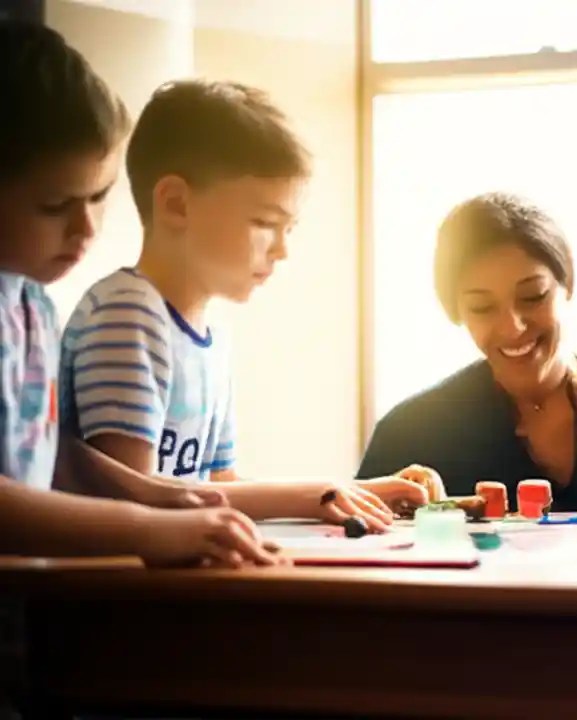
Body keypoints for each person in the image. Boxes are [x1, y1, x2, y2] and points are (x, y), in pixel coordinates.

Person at [59, 80, 427, 533]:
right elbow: (135, 494)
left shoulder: (209, 334)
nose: (281, 250)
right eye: (265, 223)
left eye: (288, 228)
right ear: (176, 204)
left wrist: (350, 492)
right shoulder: (128, 313)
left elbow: (220, 485)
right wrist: (313, 493)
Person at [0, 22, 279, 567]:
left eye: (98, 197)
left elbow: (50, 452)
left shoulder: (32, 300)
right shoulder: (123, 310)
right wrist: (142, 527)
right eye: (55, 205)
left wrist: (156, 494)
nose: (86, 228)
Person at [358, 193, 577, 512]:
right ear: (455, 308)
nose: (512, 328)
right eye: (482, 307)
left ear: (567, 281)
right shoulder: (410, 432)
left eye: (532, 296)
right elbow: (351, 540)